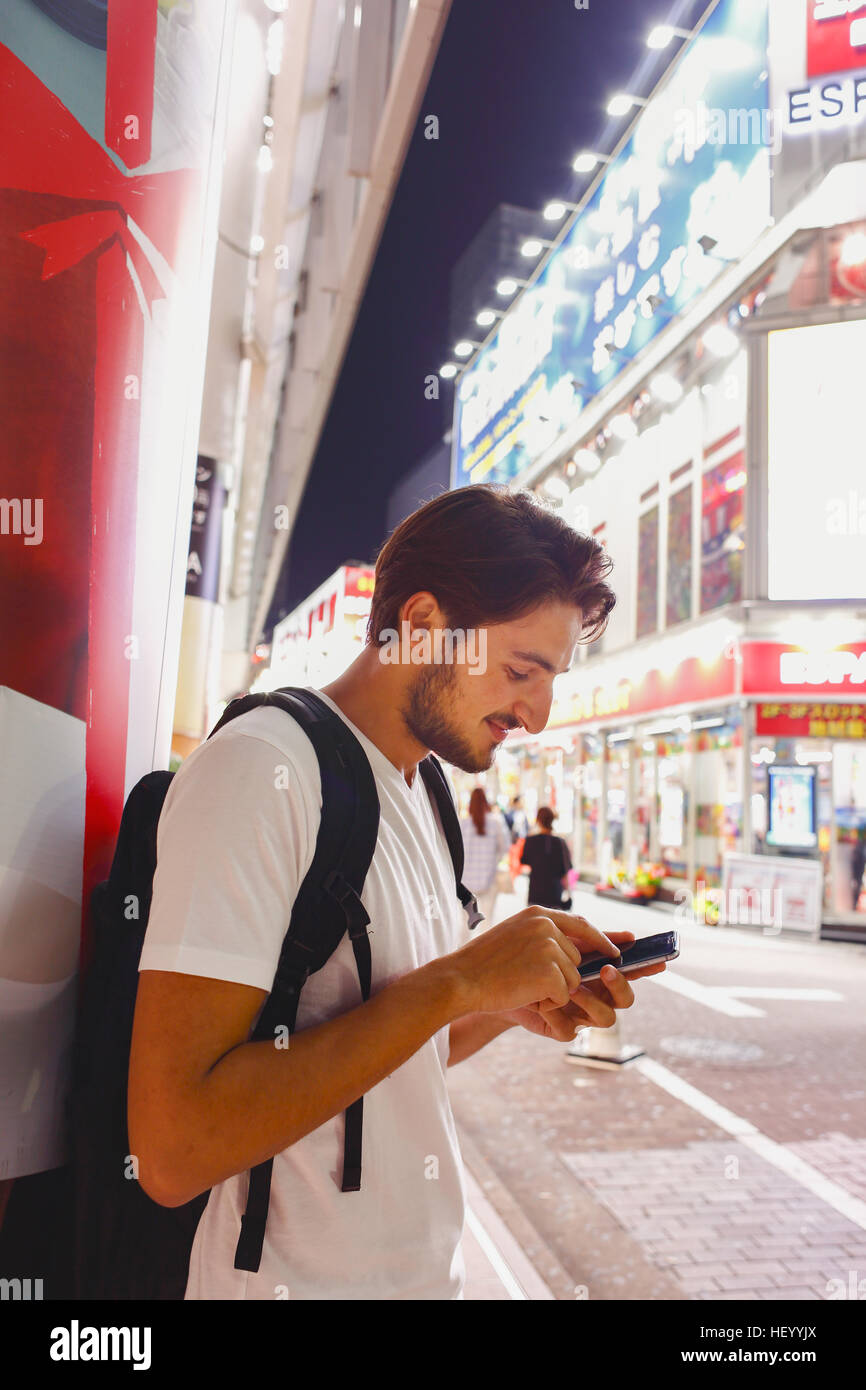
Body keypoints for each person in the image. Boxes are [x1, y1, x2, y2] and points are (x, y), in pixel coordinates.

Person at [128, 483, 669, 1301]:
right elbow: (172, 1150)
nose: (539, 713)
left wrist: (504, 1003)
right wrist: (460, 981)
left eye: (550, 677)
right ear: (418, 626)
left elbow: (398, 1043)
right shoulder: (263, 772)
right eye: (522, 670)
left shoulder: (423, 791)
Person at [460, 788, 511, 929]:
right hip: (489, 878)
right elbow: (505, 847)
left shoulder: (463, 824)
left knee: (464, 925)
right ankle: (486, 951)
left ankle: (465, 951)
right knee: (487, 924)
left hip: (465, 882)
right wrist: (495, 859)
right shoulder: (496, 822)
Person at [520, 807, 573, 910]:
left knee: (536, 924)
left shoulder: (530, 840)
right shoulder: (560, 842)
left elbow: (524, 860)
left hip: (536, 892)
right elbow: (565, 870)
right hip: (555, 893)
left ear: (538, 820)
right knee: (553, 924)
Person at [851, 828, 866, 911]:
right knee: (856, 888)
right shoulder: (860, 848)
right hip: (857, 872)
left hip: (858, 872)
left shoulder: (860, 847)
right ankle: (854, 904)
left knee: (857, 887)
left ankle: (854, 904)